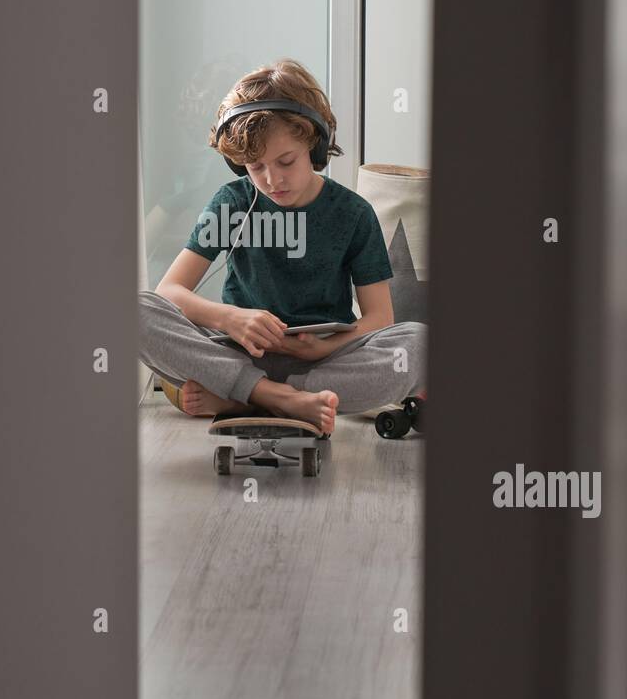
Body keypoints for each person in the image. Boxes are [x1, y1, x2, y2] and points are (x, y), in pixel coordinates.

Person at [138, 58, 426, 435]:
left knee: (420, 341)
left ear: (314, 144)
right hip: (235, 353)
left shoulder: (354, 214)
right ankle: (277, 397)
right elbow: (170, 291)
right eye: (256, 167)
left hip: (320, 362)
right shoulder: (231, 203)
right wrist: (229, 318)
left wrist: (321, 348)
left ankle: (249, 398)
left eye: (285, 161)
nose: (272, 180)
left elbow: (379, 319)